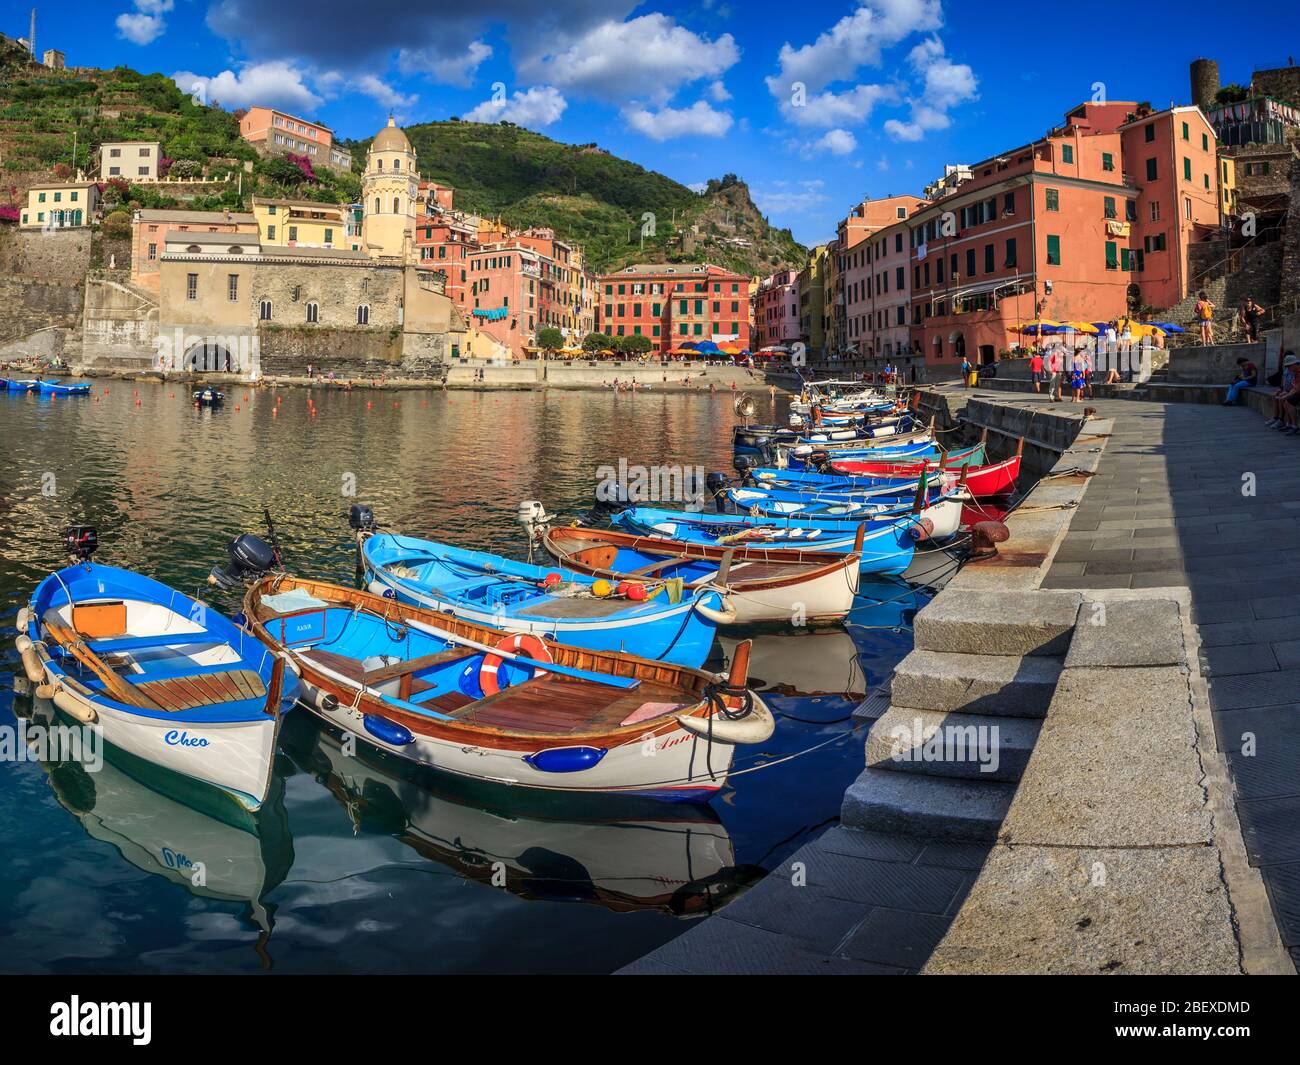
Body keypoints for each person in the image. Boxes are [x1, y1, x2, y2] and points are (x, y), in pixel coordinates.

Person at [1265, 353, 1298, 429]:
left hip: (1293, 391)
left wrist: (1287, 393)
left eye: (1289, 365)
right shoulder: (1289, 370)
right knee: (1277, 396)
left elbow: (1295, 386)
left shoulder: (1296, 371)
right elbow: (1285, 382)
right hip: (1289, 389)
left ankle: (1282, 420)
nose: (1287, 367)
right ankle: (1276, 417)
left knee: (1283, 399)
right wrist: (1281, 389)